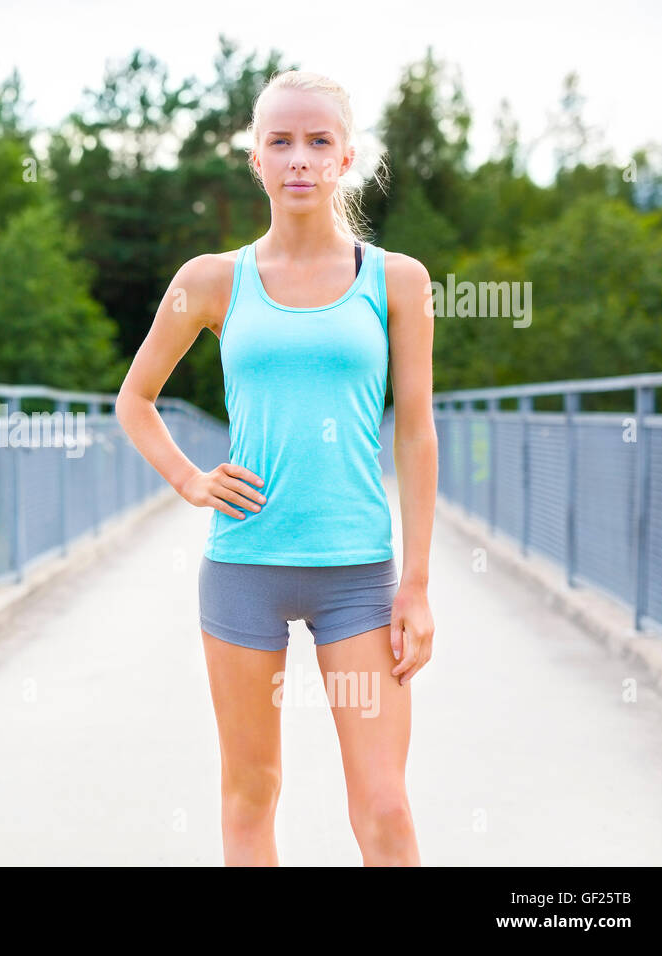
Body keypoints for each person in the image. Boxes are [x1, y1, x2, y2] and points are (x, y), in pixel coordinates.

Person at [115, 69, 437, 866]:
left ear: (346, 159)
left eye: (318, 142)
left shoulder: (397, 281)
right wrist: (191, 479)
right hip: (244, 568)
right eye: (281, 142)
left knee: (387, 809)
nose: (300, 158)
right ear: (255, 160)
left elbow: (418, 435)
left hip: (358, 573)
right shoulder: (211, 281)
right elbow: (135, 399)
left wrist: (418, 585)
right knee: (251, 795)